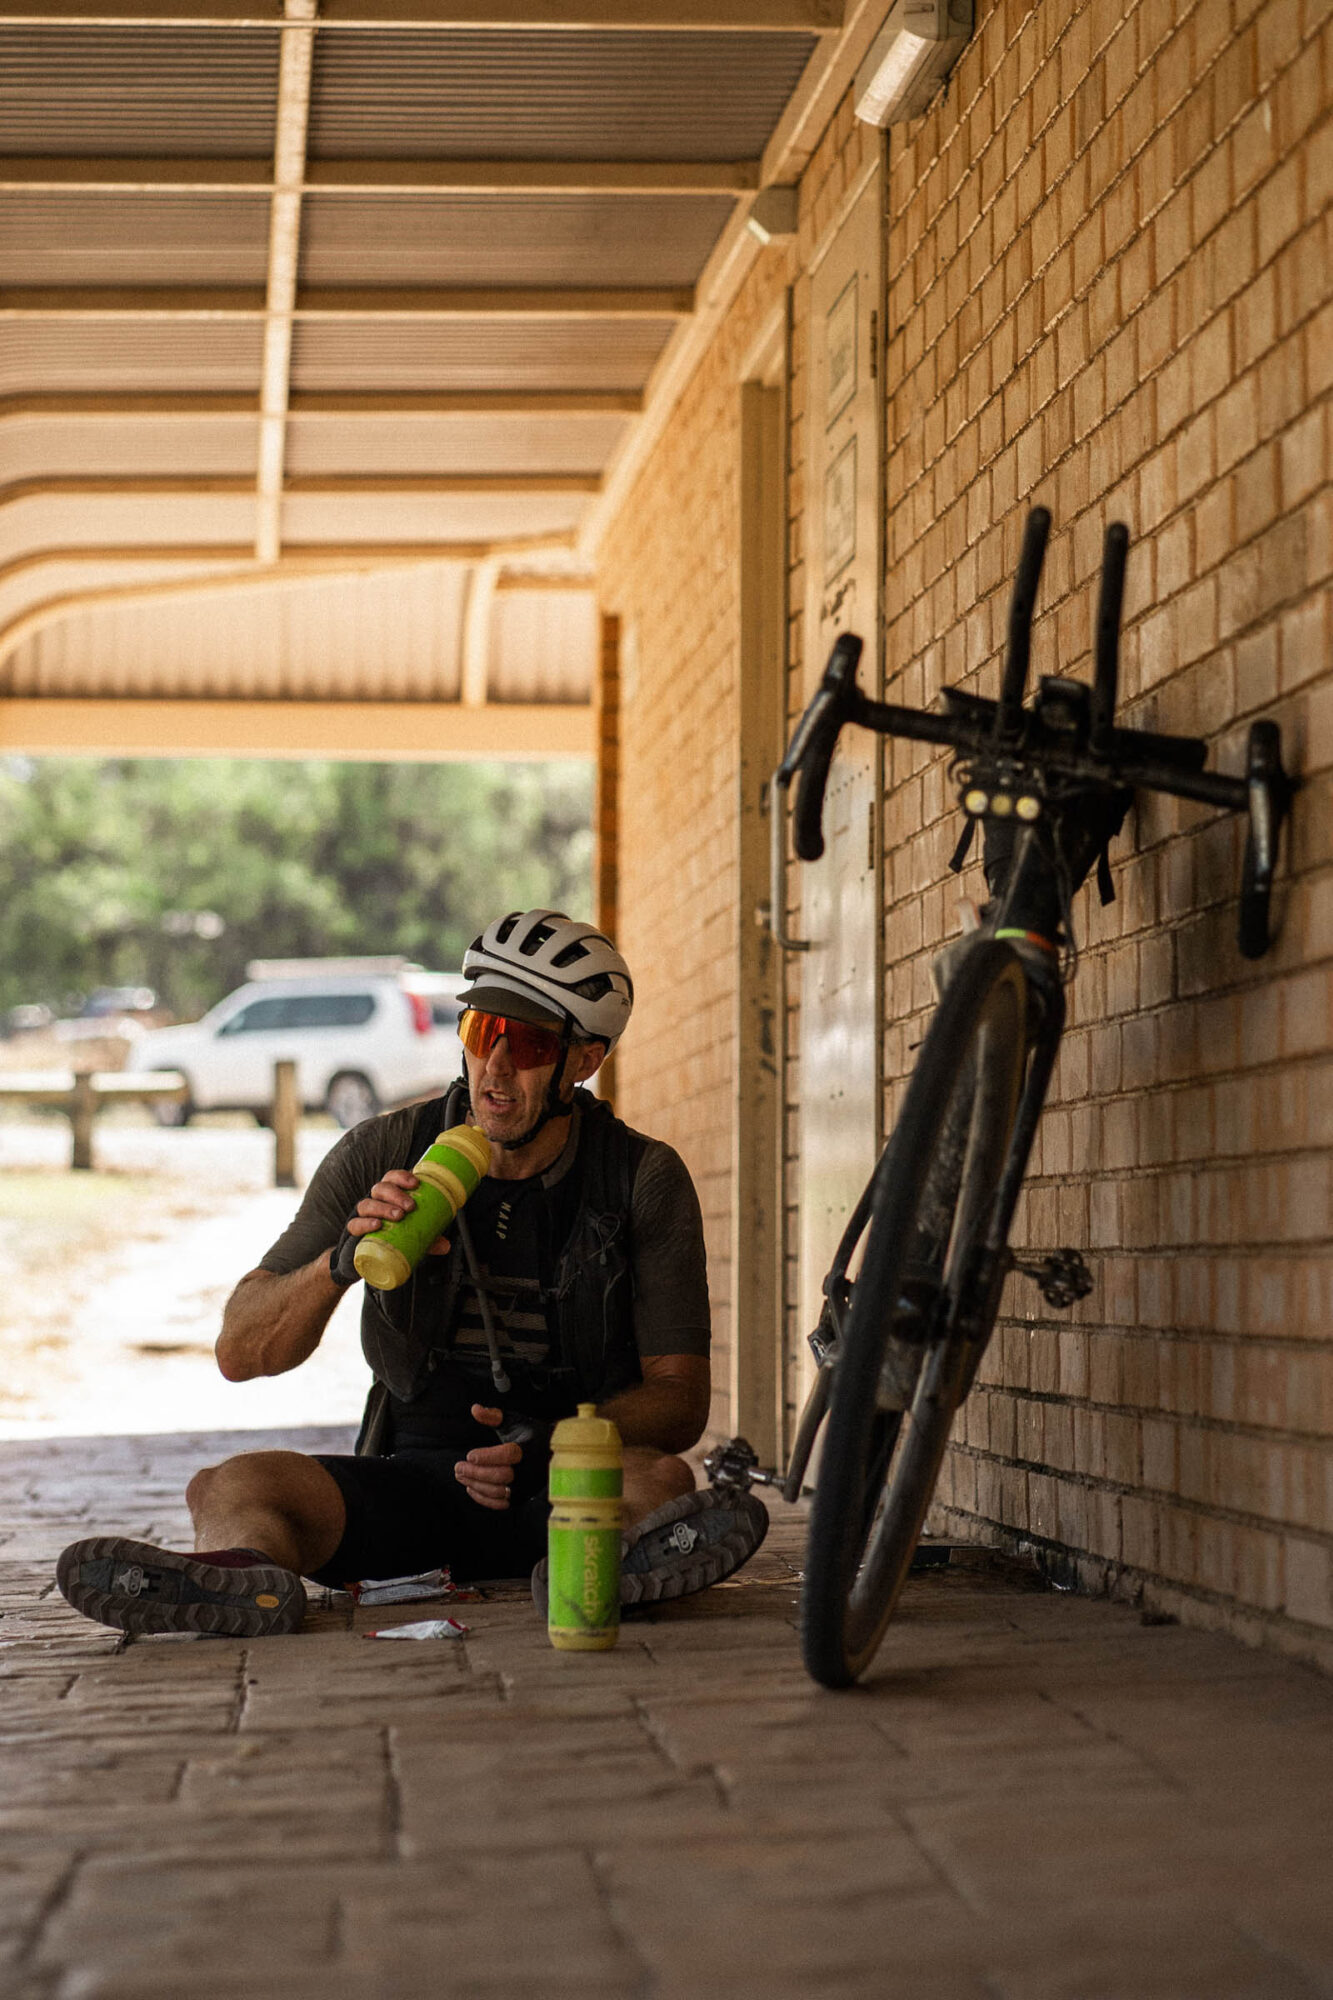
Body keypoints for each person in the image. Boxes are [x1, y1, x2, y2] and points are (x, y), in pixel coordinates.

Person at [57, 909, 767, 1640]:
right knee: (232, 1484)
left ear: (582, 1061)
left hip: (566, 1477)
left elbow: (679, 1400)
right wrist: (340, 1262)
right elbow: (242, 1352)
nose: (493, 1067)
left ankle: (592, 1569)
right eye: (479, 1032)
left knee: (659, 1480)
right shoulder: (383, 1148)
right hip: (417, 1472)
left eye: (523, 1043)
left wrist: (549, 1441)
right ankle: (246, 1582)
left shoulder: (639, 1175)